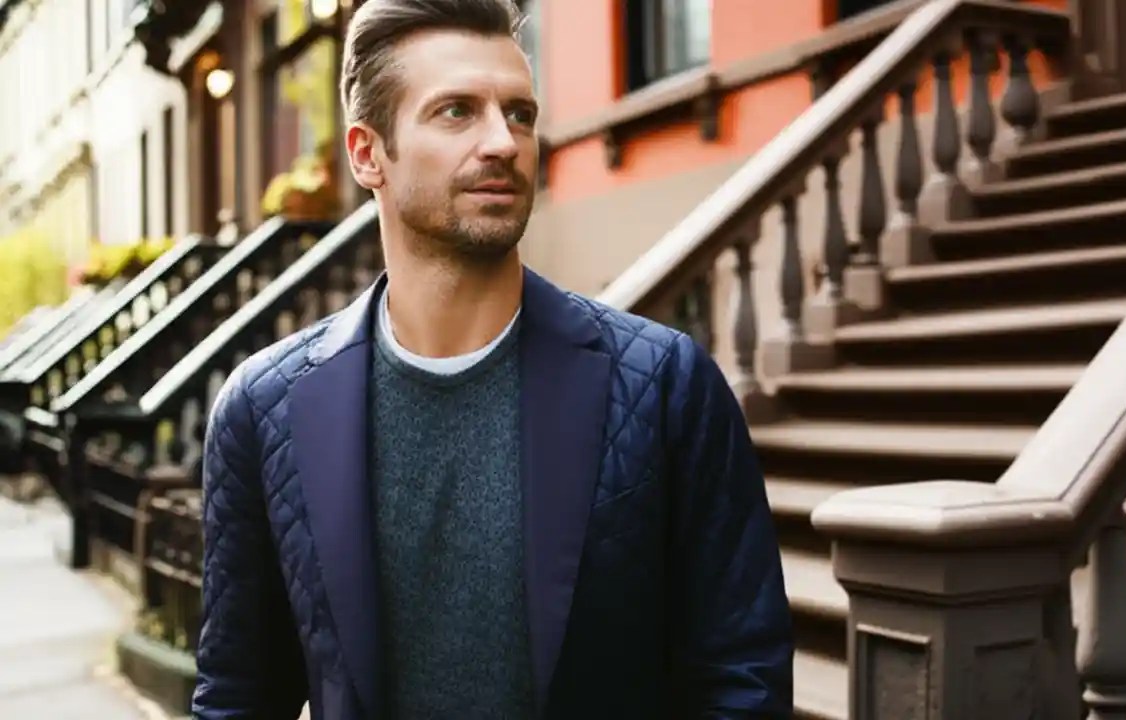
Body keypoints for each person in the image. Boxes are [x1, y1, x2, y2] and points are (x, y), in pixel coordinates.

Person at [192, 0, 793, 718]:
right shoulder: (264, 410)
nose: (503, 142)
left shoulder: (664, 384)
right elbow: (238, 694)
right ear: (366, 153)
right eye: (456, 112)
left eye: (520, 113)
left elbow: (742, 678)